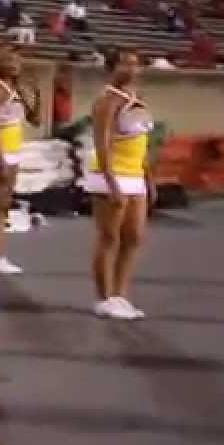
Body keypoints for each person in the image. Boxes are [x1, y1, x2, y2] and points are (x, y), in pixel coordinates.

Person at [84, 47, 154, 320]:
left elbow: (142, 143)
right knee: (109, 237)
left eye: (136, 64)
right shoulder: (107, 101)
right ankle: (103, 298)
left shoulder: (137, 99)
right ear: (111, 68)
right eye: (125, 63)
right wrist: (112, 183)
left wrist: (148, 178)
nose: (132, 69)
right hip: (110, 175)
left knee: (134, 237)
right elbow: (102, 144)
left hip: (135, 175)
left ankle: (120, 295)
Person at [0, 47, 37, 275]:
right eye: (9, 59)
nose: (15, 63)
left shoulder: (16, 89)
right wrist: (0, 157)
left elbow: (34, 120)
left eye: (17, 59)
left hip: (11, 152)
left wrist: (35, 95)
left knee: (1, 205)